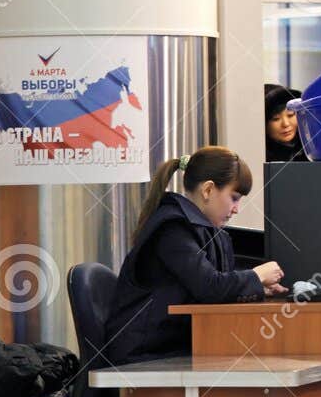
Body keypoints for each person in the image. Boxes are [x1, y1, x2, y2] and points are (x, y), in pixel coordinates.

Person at [103, 147, 286, 368]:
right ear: (208, 189)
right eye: (234, 198)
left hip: (166, 349)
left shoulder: (199, 229)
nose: (236, 209)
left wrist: (256, 287)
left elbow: (214, 284)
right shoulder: (172, 229)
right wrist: (256, 276)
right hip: (142, 357)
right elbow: (210, 286)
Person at [264, 84, 305, 162]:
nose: (286, 124)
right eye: (276, 119)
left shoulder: (312, 151)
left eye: (290, 115)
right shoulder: (261, 157)